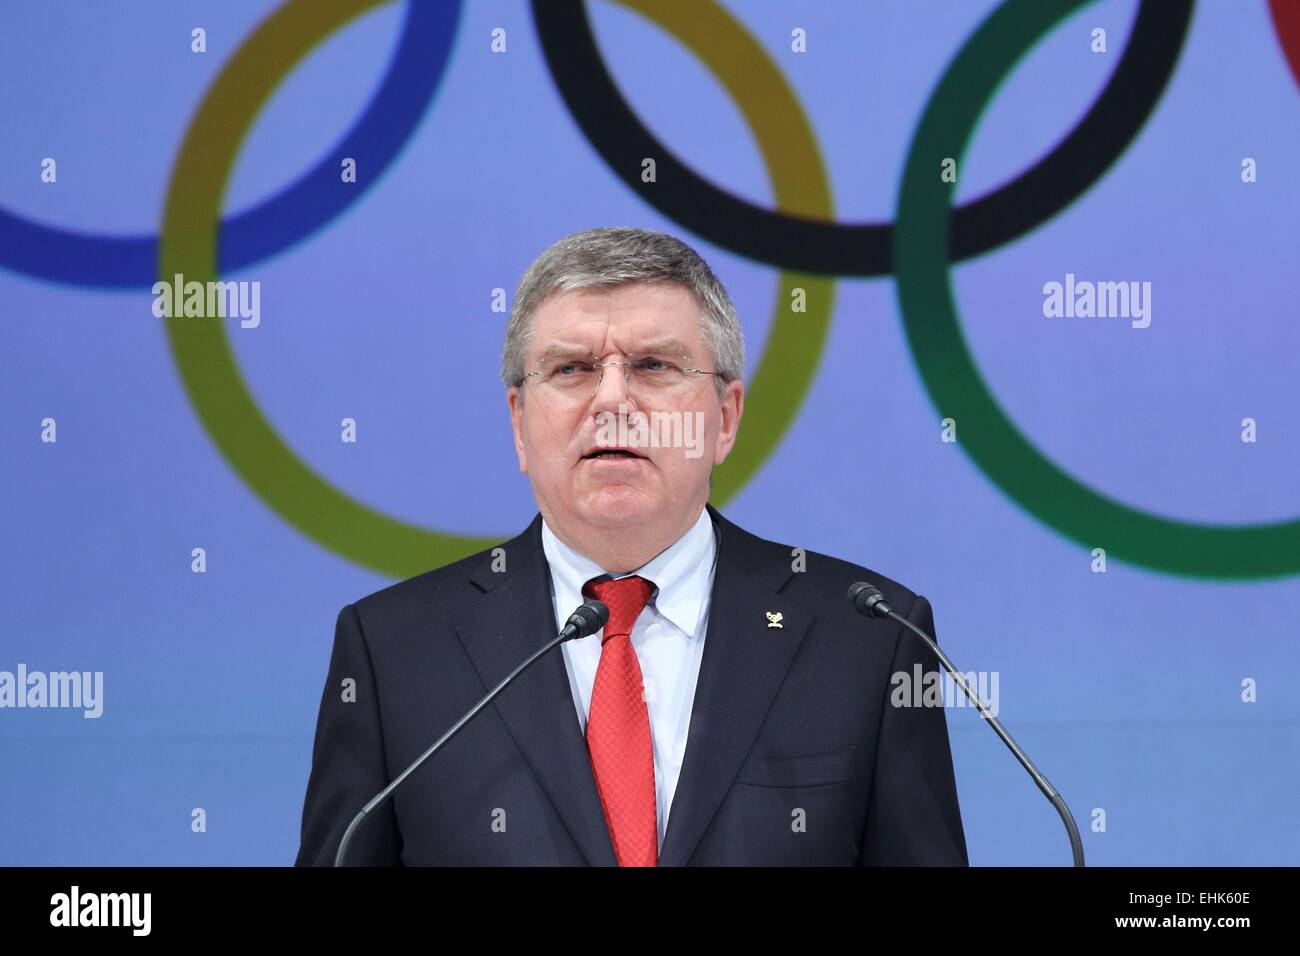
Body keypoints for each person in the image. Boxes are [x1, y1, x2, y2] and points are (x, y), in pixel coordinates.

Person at [295, 226, 968, 866]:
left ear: (725, 418)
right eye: (572, 369)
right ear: (520, 424)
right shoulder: (394, 655)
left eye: (653, 365)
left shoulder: (868, 641)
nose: (612, 401)